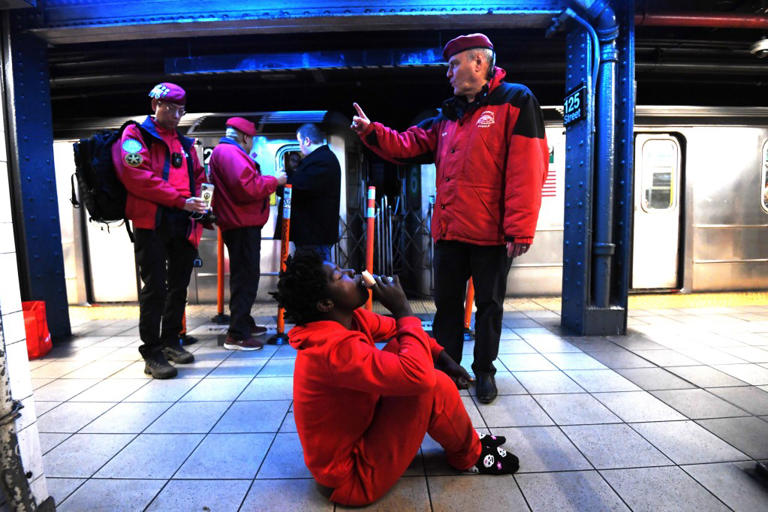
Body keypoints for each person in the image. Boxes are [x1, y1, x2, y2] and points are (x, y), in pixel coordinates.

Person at [351, 33, 549, 404]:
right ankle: (446, 369)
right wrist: (372, 132)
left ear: (479, 62)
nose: (448, 73)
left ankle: (485, 371)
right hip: (450, 231)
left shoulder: (517, 101)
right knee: (447, 306)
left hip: (491, 234)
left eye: (453, 64)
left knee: (488, 306)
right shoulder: (447, 117)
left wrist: (519, 227)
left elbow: (528, 166)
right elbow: (407, 144)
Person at [273, 250, 519, 507]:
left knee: (407, 350)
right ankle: (469, 455)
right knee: (430, 385)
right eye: (338, 276)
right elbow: (418, 376)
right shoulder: (332, 349)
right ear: (326, 304)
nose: (350, 273)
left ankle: (465, 439)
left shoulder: (350, 320)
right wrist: (403, 309)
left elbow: (398, 331)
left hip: (362, 434)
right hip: (351, 478)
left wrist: (443, 355)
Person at [114, 82, 208, 379]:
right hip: (151, 223)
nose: (177, 114)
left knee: (178, 285)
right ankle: (151, 351)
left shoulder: (185, 143)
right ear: (154, 104)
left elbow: (200, 177)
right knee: (155, 288)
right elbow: (136, 176)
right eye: (171, 107)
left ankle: (171, 340)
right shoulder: (134, 135)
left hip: (183, 222)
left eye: (181, 109)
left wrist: (205, 205)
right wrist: (181, 200)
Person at [208, 117, 287, 350]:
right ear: (245, 137)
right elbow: (248, 187)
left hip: (240, 223)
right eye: (251, 138)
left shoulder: (225, 153)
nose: (251, 143)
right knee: (246, 278)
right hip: (241, 224)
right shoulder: (231, 154)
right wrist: (275, 181)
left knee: (245, 275)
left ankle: (245, 322)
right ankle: (237, 335)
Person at [288, 123, 342, 260]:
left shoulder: (321, 161)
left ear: (307, 141)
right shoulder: (323, 159)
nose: (300, 147)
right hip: (313, 234)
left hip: (313, 235)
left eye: (299, 142)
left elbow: (299, 189)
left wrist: (281, 183)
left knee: (315, 276)